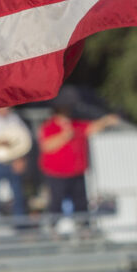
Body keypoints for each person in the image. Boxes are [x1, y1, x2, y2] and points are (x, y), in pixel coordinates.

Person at [36, 95, 119, 224]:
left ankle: (83, 230)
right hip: (56, 173)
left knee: (80, 203)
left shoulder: (75, 124)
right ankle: (53, 230)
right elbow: (46, 146)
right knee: (56, 204)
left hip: (76, 172)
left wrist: (106, 121)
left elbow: (91, 128)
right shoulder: (49, 126)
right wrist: (64, 136)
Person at [0, 107, 32, 223]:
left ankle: (20, 224)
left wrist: (21, 158)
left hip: (13, 162)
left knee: (17, 194)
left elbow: (24, 140)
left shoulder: (14, 119)